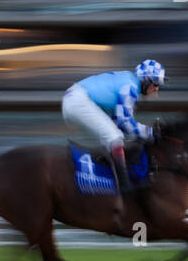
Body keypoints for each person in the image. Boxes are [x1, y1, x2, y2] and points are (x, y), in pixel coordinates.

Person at [62, 59, 165, 213]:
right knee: (114, 137)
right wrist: (149, 133)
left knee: (113, 136)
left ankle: (107, 179)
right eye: (155, 84)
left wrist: (144, 133)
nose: (156, 89)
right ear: (147, 81)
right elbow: (125, 122)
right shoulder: (130, 87)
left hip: (74, 99)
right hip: (77, 100)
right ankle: (125, 188)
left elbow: (119, 122)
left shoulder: (129, 82)